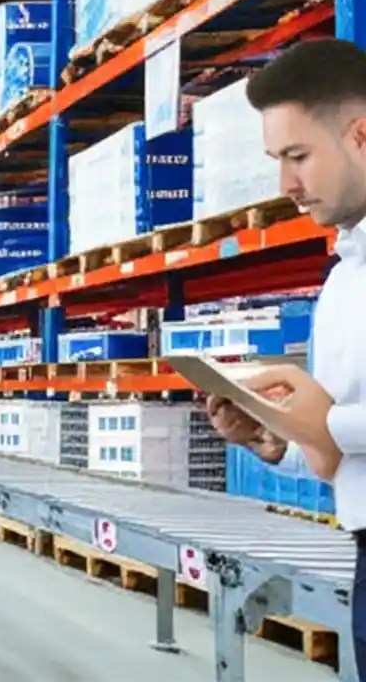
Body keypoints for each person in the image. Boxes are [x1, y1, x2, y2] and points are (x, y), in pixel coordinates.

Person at [206, 37, 366, 674]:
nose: (287, 184)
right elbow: (342, 453)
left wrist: (323, 420)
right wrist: (279, 444)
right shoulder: (343, 278)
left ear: (361, 135)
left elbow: (341, 422)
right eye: (277, 159)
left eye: (298, 156)